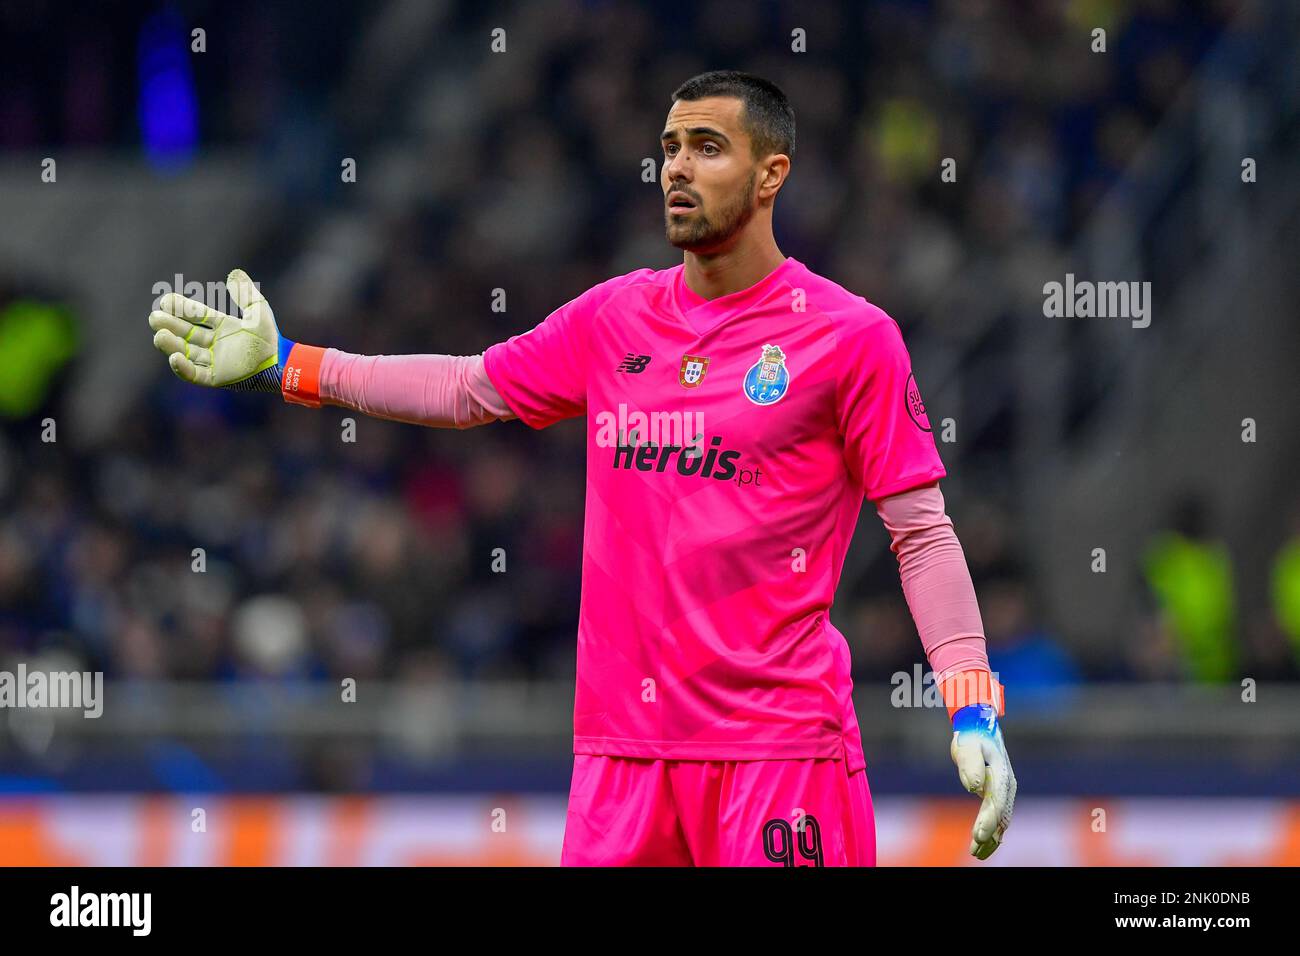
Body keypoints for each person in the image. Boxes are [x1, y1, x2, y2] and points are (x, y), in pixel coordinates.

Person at [147, 70, 1014, 866]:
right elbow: (465, 388)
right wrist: (290, 363)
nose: (677, 167)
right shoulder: (613, 319)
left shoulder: (849, 337)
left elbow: (921, 534)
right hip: (620, 760)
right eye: (669, 147)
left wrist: (971, 704)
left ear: (770, 176)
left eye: (707, 148)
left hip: (777, 754)